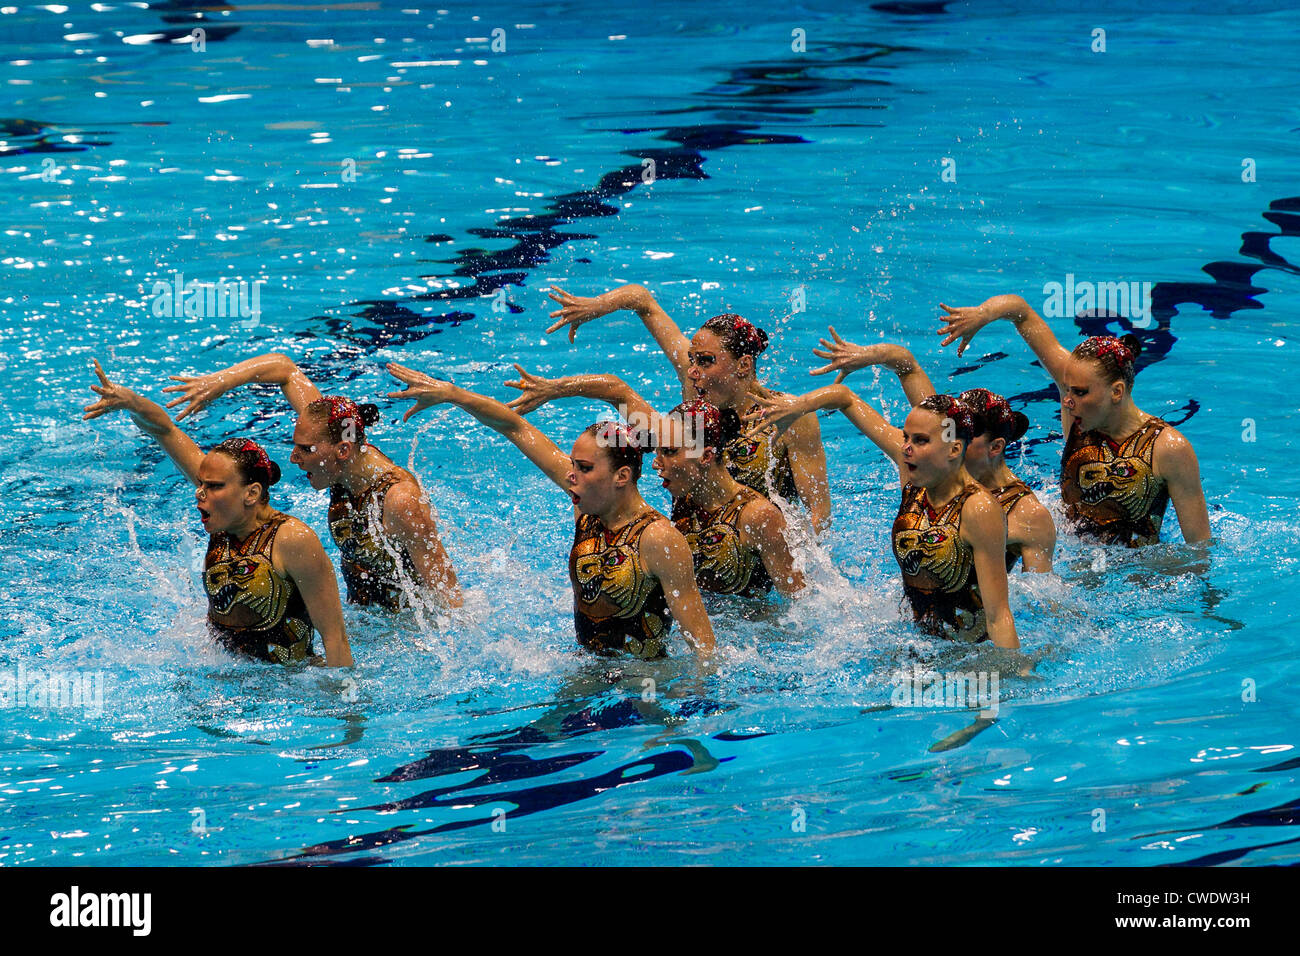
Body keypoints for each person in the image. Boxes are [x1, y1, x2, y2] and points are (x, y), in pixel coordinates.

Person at [385, 363, 716, 663]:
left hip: (643, 682)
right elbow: (514, 426)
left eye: (584, 468)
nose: (571, 475)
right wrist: (452, 394)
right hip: (587, 669)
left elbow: (703, 646)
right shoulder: (586, 508)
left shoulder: (659, 539)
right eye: (572, 465)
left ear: (622, 477)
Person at [83, 360, 354, 667]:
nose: (200, 493)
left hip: (286, 687)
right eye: (202, 484)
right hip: (223, 673)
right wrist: (130, 401)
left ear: (251, 494)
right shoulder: (227, 515)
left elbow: (335, 639)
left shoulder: (292, 539)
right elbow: (166, 429)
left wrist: (346, 709)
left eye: (212, 486)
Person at [161, 353, 461, 609]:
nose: (293, 458)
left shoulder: (399, 500)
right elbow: (284, 368)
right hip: (364, 614)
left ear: (342, 450)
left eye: (305, 449)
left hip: (402, 632)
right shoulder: (339, 446)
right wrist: (221, 381)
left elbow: (449, 599)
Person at [543, 284, 832, 532]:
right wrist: (595, 305)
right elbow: (641, 299)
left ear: (743, 365)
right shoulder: (696, 395)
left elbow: (818, 516)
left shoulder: (791, 417)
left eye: (705, 361)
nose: (692, 371)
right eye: (692, 359)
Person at [748, 387, 1020, 649]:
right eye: (906, 438)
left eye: (921, 440)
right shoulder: (916, 482)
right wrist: (799, 407)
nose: (906, 448)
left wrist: (1008, 677)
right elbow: (846, 398)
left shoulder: (978, 509)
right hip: (919, 642)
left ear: (954, 449)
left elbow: (999, 616)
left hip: (967, 652)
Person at [936, 295, 1211, 546]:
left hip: (1129, 575)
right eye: (1067, 389)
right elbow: (1020, 311)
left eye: (1080, 393)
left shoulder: (1169, 449)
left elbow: (1199, 551)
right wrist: (982, 314)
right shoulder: (1079, 407)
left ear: (1117, 391)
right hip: (1069, 549)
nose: (1067, 402)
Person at [809, 329, 1056, 571]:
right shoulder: (935, 454)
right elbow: (908, 366)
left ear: (996, 447)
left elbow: (1040, 598)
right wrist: (869, 355)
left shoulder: (1027, 514)